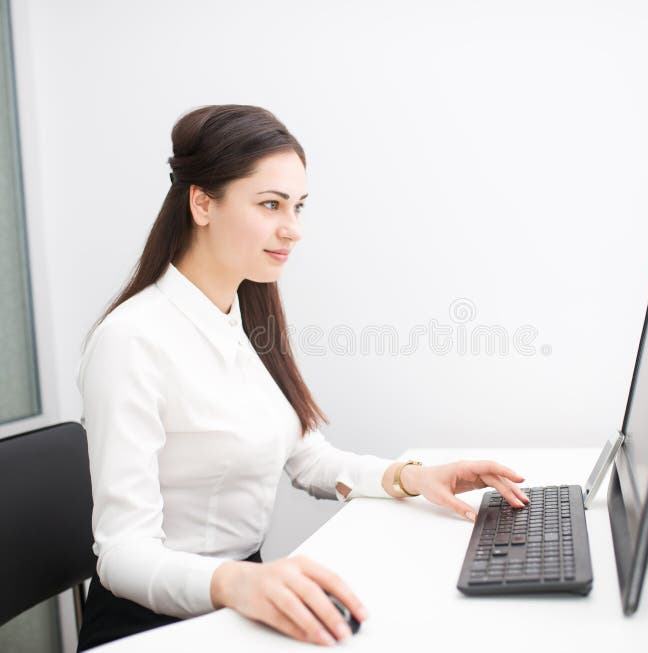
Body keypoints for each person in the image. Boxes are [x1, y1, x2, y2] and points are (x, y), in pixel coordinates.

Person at [75, 104, 530, 650]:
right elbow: (122, 555)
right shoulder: (131, 341)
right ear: (202, 203)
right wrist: (236, 582)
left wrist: (416, 477)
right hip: (156, 622)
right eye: (270, 204)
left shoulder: (244, 318)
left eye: (297, 207)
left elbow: (308, 458)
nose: (291, 229)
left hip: (243, 594)